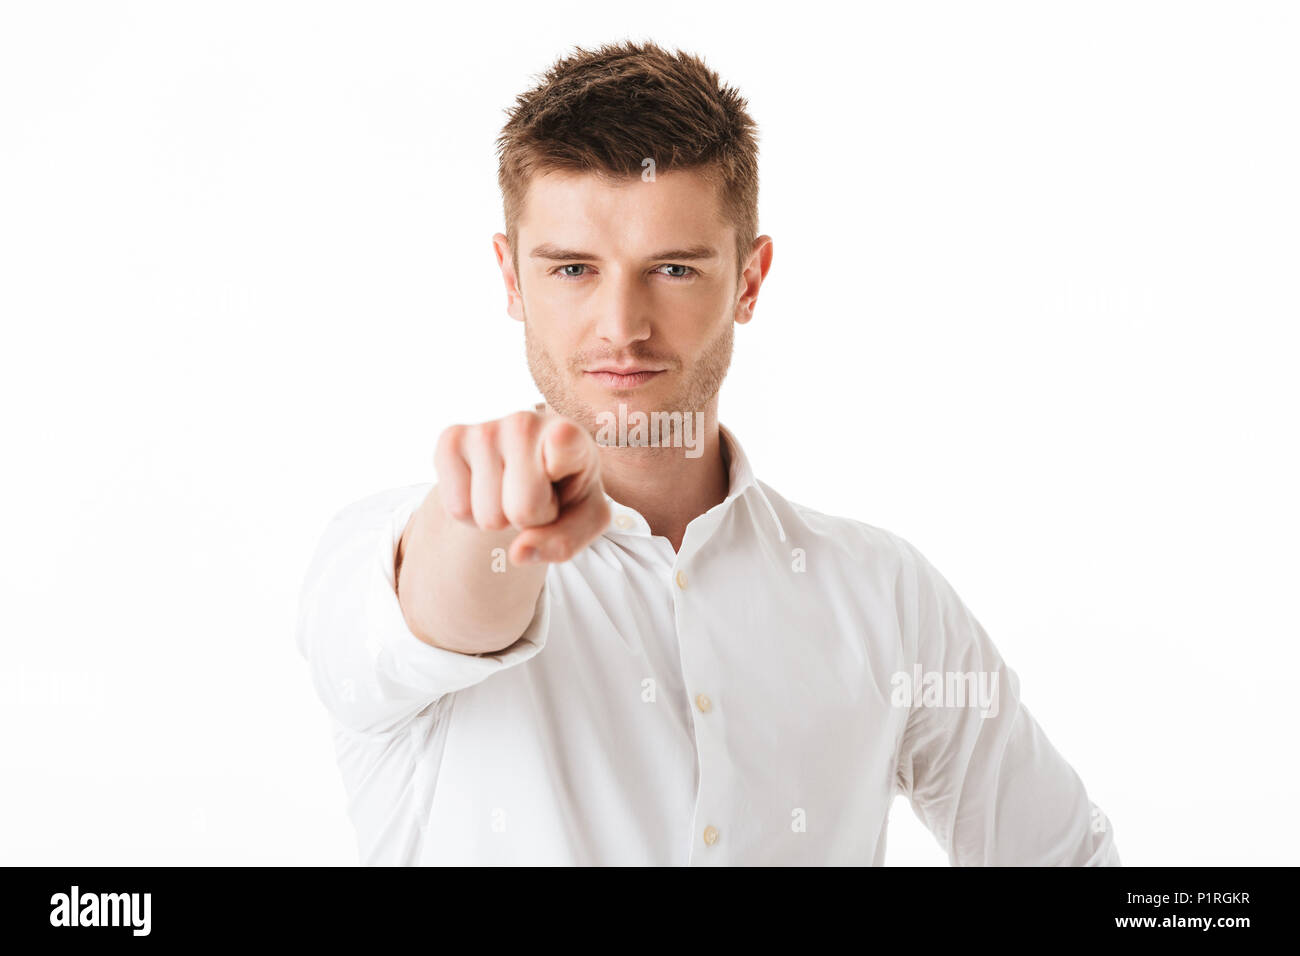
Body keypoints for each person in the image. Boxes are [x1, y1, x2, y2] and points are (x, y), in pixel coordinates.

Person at [295, 39, 1120, 866]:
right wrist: (490, 519)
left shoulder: (884, 595)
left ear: (749, 280)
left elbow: (1062, 855)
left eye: (676, 269)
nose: (622, 324)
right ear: (511, 279)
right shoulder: (387, 553)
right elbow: (451, 608)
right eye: (574, 267)